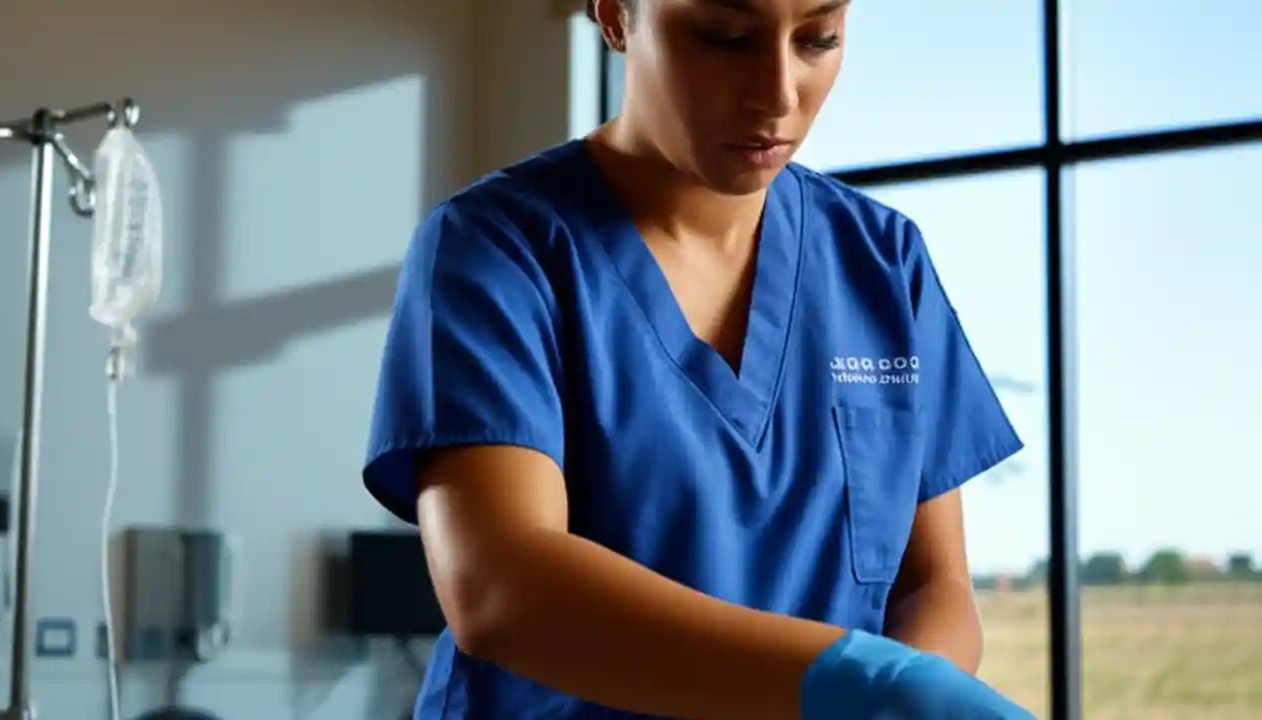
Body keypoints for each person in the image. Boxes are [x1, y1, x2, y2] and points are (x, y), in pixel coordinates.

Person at [362, 0, 1034, 717]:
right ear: (617, 17)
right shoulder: (498, 249)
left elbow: (933, 586)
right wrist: (857, 682)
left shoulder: (883, 261)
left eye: (819, 38)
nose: (778, 94)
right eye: (725, 37)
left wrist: (905, 699)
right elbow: (500, 587)